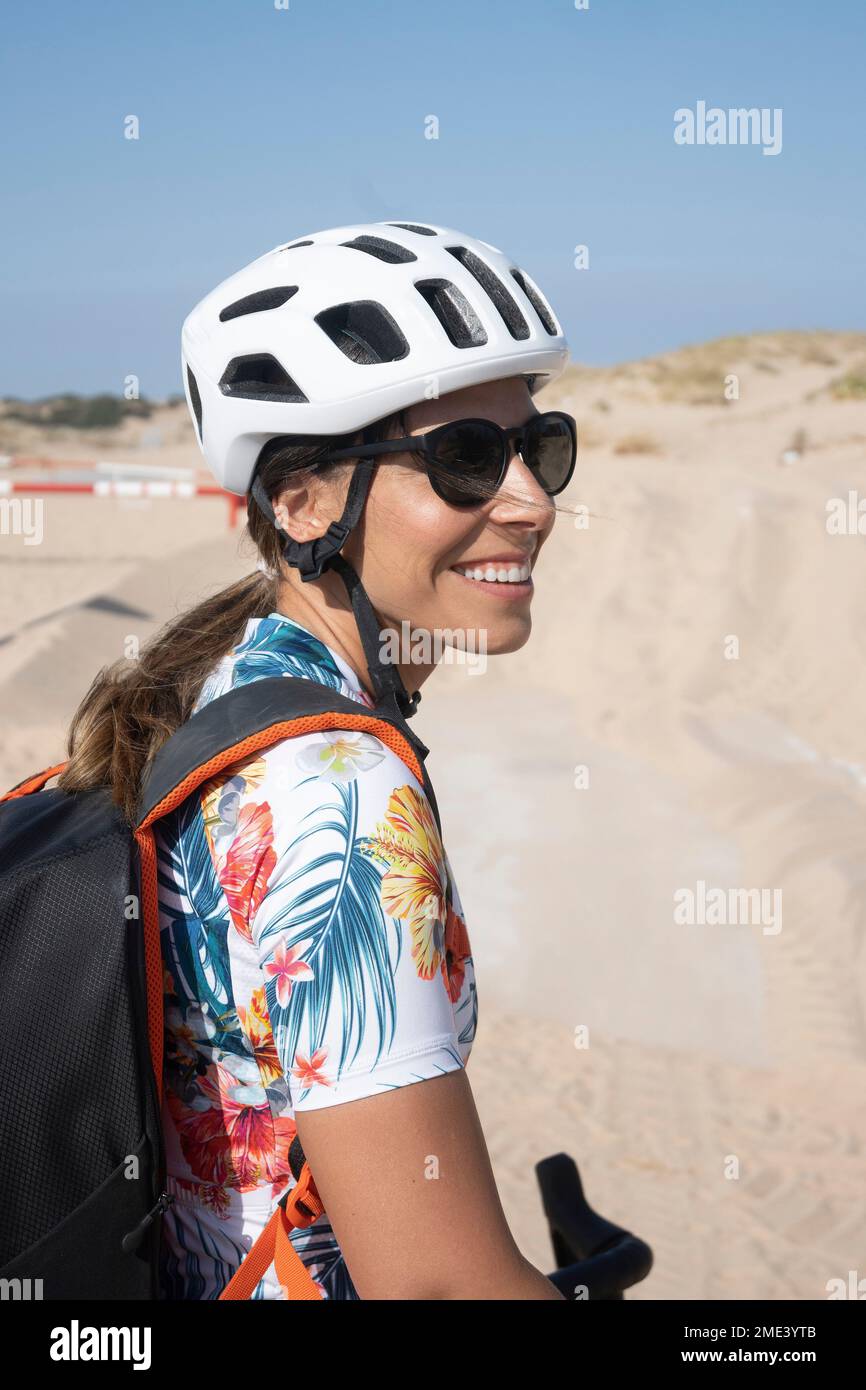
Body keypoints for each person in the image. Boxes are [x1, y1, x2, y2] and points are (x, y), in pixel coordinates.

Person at [59, 220, 577, 1299]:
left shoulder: (225, 679)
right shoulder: (336, 790)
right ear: (301, 503)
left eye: (540, 446)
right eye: (468, 459)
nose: (530, 500)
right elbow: (438, 1287)